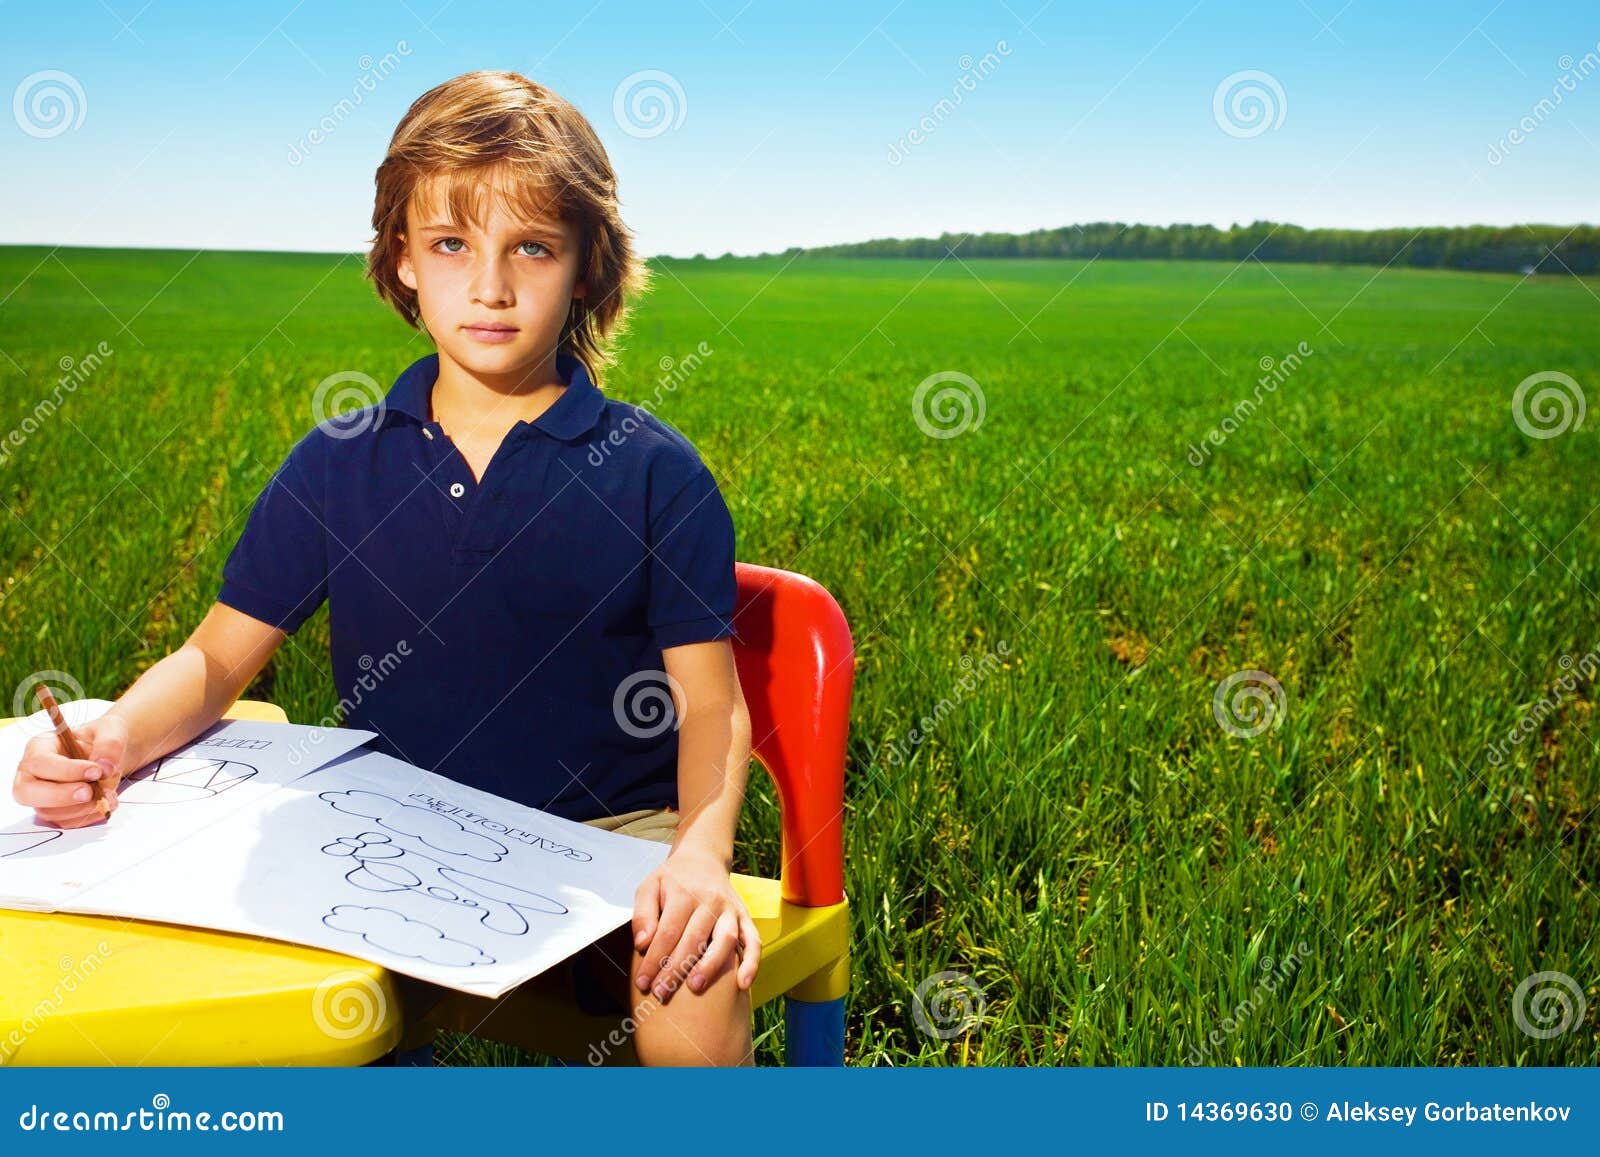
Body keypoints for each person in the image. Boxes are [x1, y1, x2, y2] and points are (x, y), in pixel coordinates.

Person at [11, 70, 760, 1067]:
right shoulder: (339, 459)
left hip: (610, 839)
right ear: (401, 259)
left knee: (689, 971)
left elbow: (711, 705)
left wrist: (700, 855)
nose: (489, 286)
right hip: (394, 832)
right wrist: (110, 738)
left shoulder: (653, 471)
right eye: (451, 244)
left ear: (587, 267)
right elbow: (217, 660)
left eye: (530, 247)